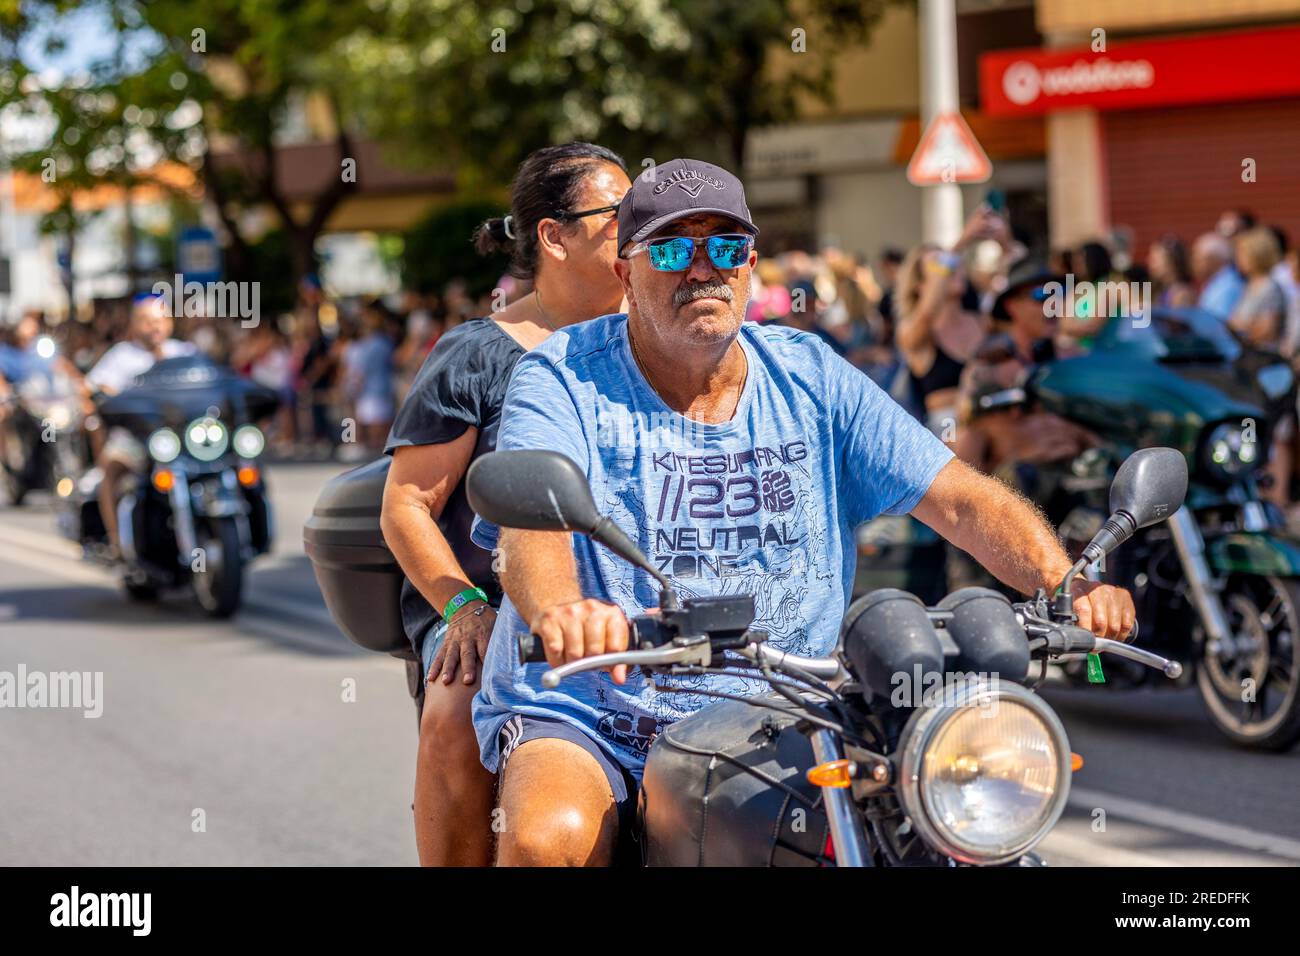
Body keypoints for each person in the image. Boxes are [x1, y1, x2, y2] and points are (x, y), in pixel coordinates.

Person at [470, 158, 1137, 867]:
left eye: (725, 247)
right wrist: (563, 613)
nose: (703, 268)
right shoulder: (563, 374)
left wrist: (1065, 583)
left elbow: (962, 498)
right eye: (671, 249)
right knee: (549, 840)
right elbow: (531, 524)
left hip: (784, 709)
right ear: (627, 273)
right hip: (597, 710)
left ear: (751, 266)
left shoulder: (809, 374)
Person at [380, 142, 631, 867]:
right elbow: (406, 505)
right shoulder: (477, 353)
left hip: (627, 603)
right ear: (553, 237)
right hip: (489, 606)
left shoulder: (653, 342)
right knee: (459, 712)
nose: (641, 232)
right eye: (619, 217)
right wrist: (464, 609)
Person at [85, 292, 196, 555]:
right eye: (147, 320)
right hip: (137, 441)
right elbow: (93, 388)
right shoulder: (121, 356)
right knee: (110, 471)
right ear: (134, 324)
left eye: (160, 319)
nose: (155, 326)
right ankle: (119, 543)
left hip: (185, 441)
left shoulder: (185, 352)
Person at [1228, 227, 1287, 350]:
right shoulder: (1249, 286)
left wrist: (1243, 327)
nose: (1238, 259)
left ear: (1256, 254)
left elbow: (1268, 331)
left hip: (1263, 357)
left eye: (1242, 253)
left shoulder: (1270, 287)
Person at [1193, 232, 1245, 319]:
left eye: (1198, 260)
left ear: (1213, 259)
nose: (1195, 265)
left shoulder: (1229, 286)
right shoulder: (1216, 282)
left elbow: (1219, 324)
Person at [1148, 236, 1196, 309]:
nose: (1150, 263)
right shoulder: (1161, 290)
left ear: (1173, 263)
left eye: (1155, 260)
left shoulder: (1182, 296)